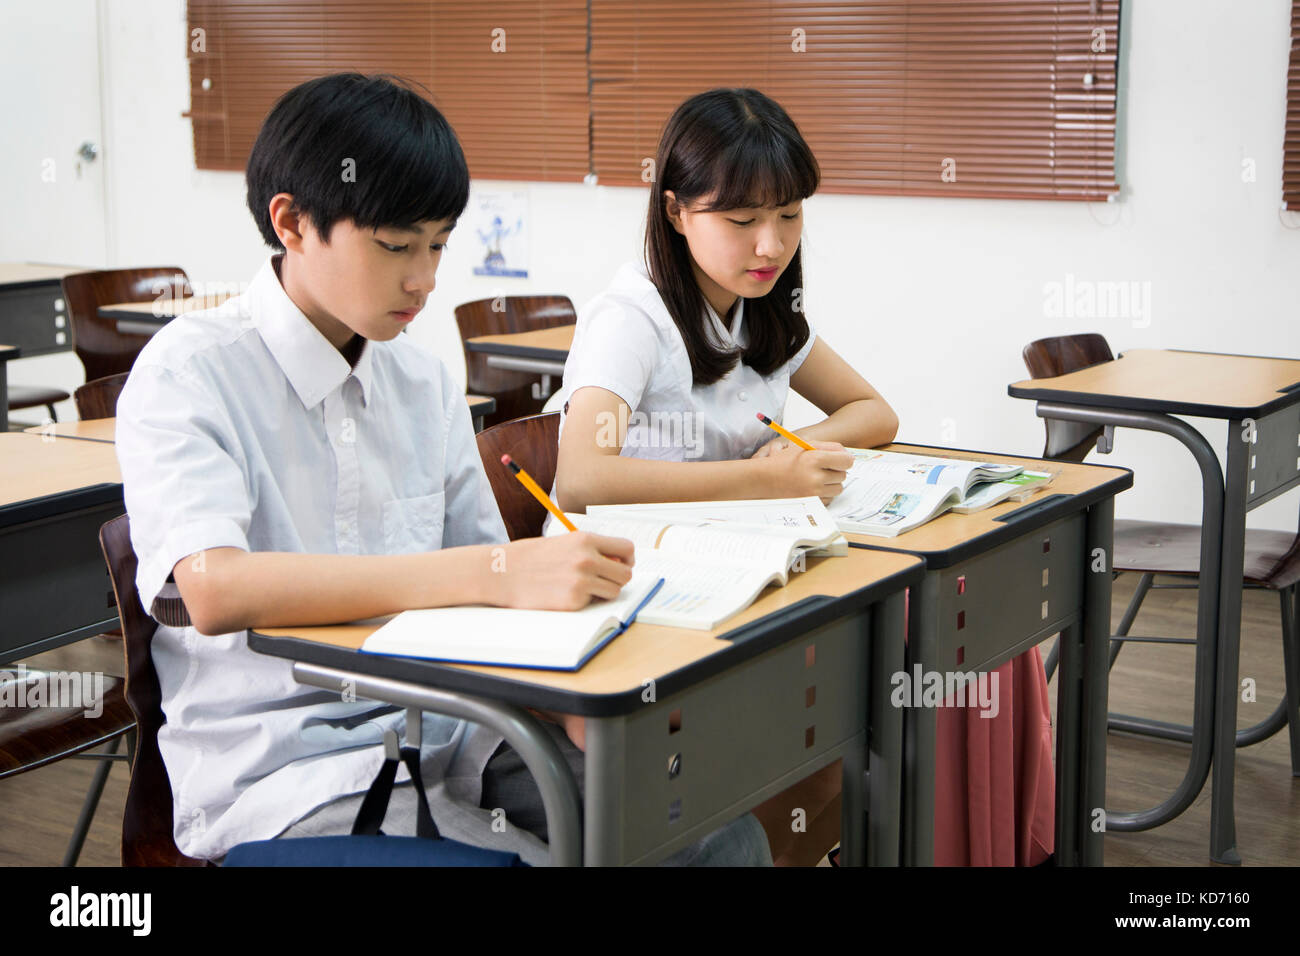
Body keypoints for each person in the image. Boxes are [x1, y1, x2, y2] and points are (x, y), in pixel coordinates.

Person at [114, 73, 770, 866]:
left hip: (457, 731)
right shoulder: (191, 370)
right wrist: (491, 573)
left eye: (438, 245)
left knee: (718, 834)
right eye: (395, 246)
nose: (424, 279)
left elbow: (499, 597)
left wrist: (564, 695)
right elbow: (217, 591)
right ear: (290, 222)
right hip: (289, 775)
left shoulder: (421, 384)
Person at [554, 88, 1054, 867]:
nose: (771, 242)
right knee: (883, 680)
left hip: (738, 560)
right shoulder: (633, 318)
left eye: (789, 215)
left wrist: (789, 456)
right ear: (678, 210)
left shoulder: (766, 308)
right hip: (642, 590)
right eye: (742, 218)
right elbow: (581, 475)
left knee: (952, 629)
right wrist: (761, 481)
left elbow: (872, 411)